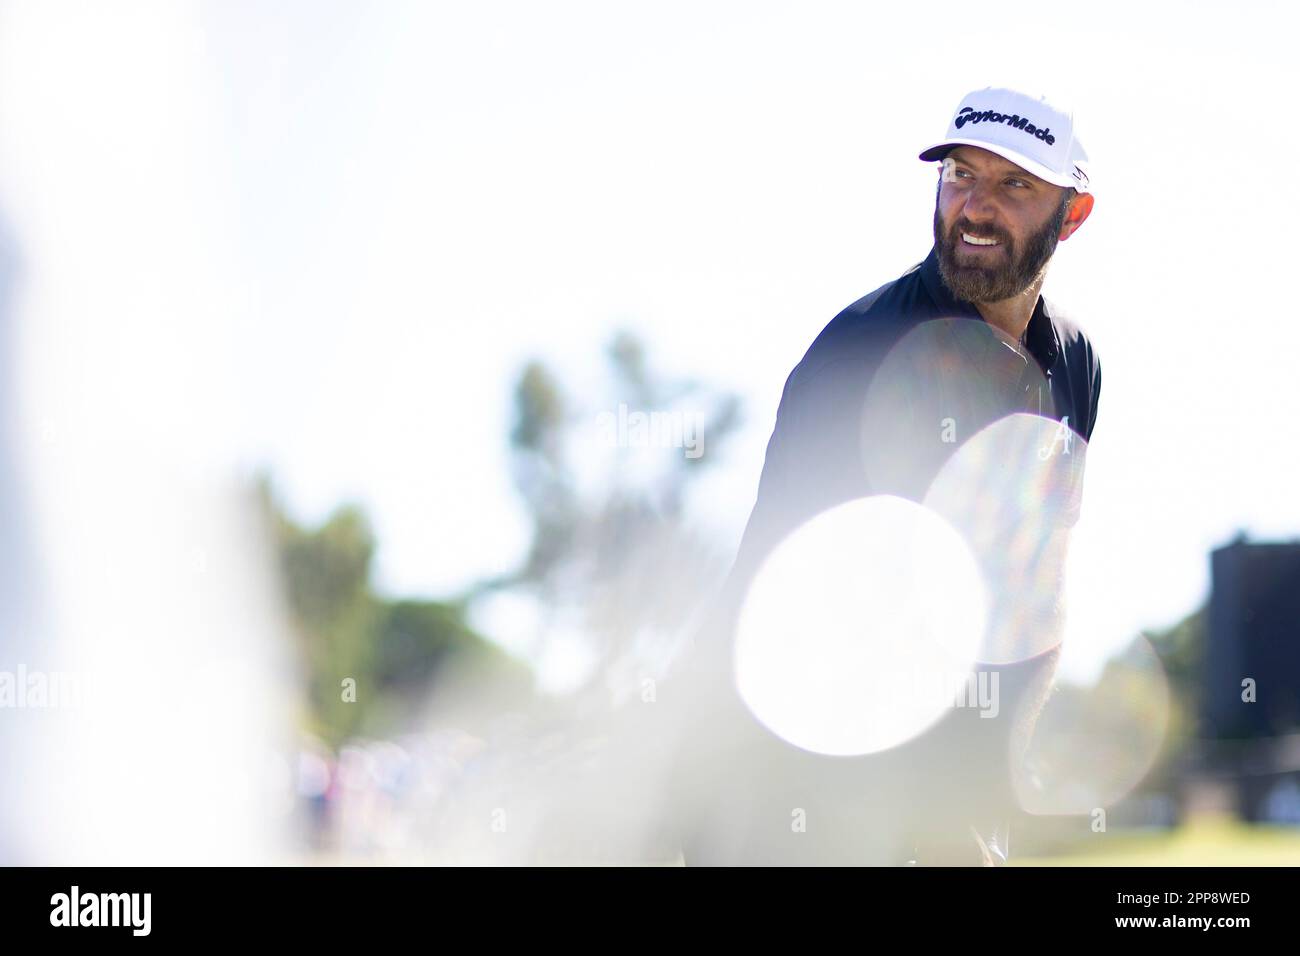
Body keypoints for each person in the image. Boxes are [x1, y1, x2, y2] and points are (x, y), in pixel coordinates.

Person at [676, 87, 1101, 865]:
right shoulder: (863, 351)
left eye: (1014, 187)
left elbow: (1036, 588)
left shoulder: (1075, 361)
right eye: (960, 176)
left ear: (1071, 216)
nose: (975, 207)